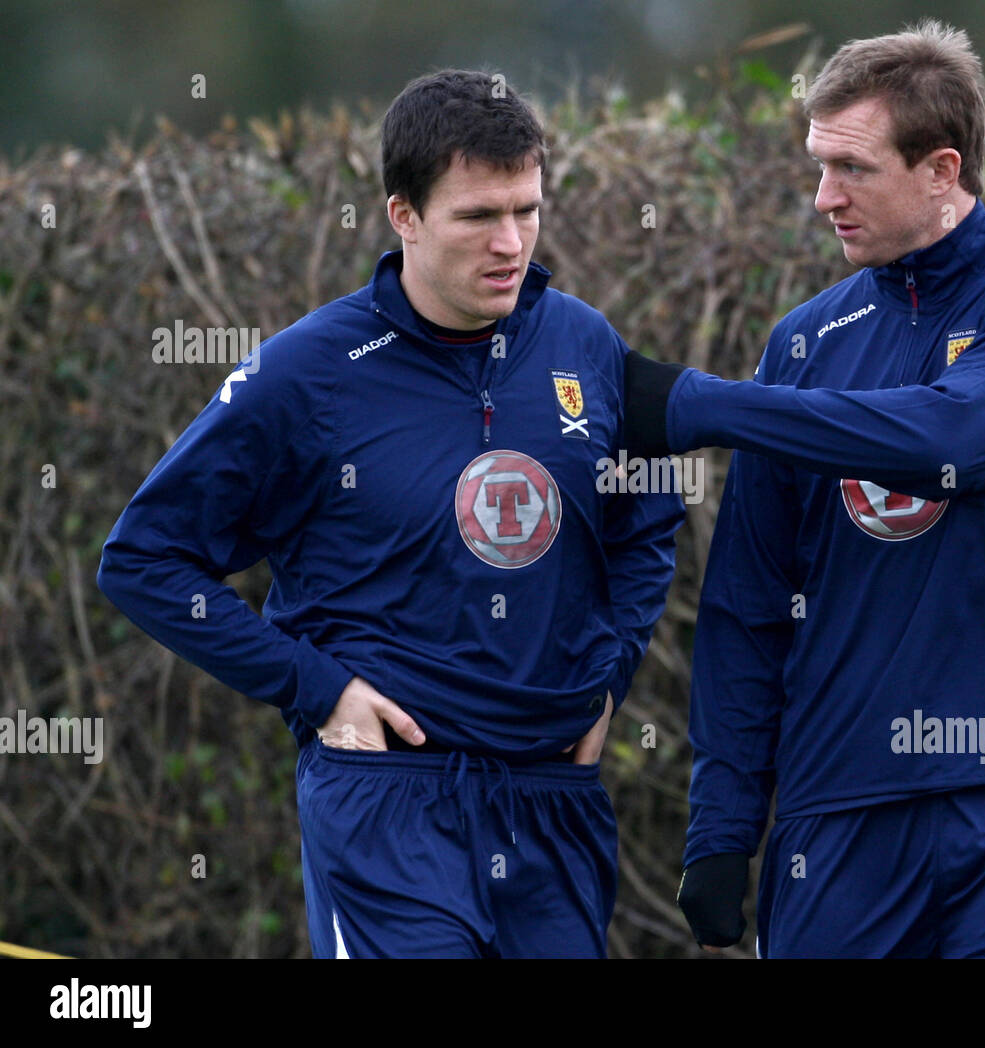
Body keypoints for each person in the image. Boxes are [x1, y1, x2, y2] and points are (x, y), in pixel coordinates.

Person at [98, 70, 684, 959]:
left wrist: (610, 674)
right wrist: (315, 687)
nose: (512, 243)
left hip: (554, 801)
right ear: (402, 215)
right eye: (478, 217)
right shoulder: (309, 372)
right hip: (393, 799)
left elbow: (646, 520)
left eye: (526, 210)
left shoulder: (583, 343)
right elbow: (143, 560)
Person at [624, 20, 985, 957]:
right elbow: (751, 605)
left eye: (852, 168)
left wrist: (706, 406)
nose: (823, 197)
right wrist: (721, 826)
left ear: (942, 169)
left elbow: (954, 435)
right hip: (840, 814)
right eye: (816, 164)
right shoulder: (802, 344)